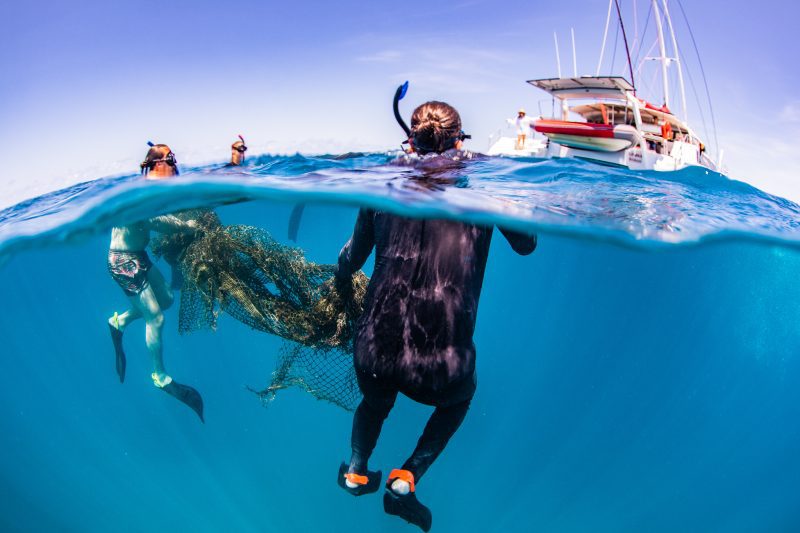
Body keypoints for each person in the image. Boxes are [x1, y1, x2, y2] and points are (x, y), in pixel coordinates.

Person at [335, 100, 537, 531]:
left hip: (372, 352)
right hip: (440, 368)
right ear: (457, 141)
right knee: (460, 399)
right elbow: (527, 244)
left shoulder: (383, 186)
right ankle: (407, 478)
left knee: (374, 402)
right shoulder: (483, 188)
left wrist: (340, 270)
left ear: (411, 140)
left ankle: (355, 470)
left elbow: (352, 259)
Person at [106, 143, 205, 422]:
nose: (176, 165)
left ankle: (119, 323)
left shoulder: (151, 189)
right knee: (157, 318)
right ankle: (159, 376)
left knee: (168, 300)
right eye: (172, 159)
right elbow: (157, 222)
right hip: (123, 262)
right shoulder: (141, 194)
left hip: (137, 255)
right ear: (158, 163)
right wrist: (186, 227)